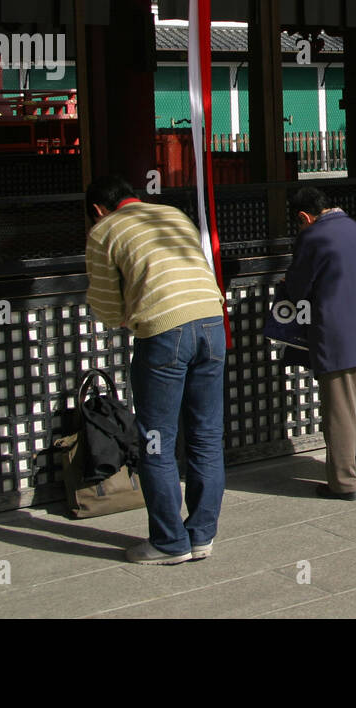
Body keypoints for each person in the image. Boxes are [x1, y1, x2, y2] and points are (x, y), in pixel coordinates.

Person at [84, 176, 227, 565]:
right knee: (206, 436)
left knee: (156, 441)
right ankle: (201, 536)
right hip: (213, 323)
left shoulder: (104, 230)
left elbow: (106, 304)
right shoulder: (174, 215)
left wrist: (126, 318)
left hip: (165, 331)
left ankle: (168, 542)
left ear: (97, 210)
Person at [284, 186, 356, 500]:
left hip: (338, 337)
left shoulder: (312, 237)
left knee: (341, 412)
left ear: (303, 216)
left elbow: (297, 289)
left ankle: (344, 483)